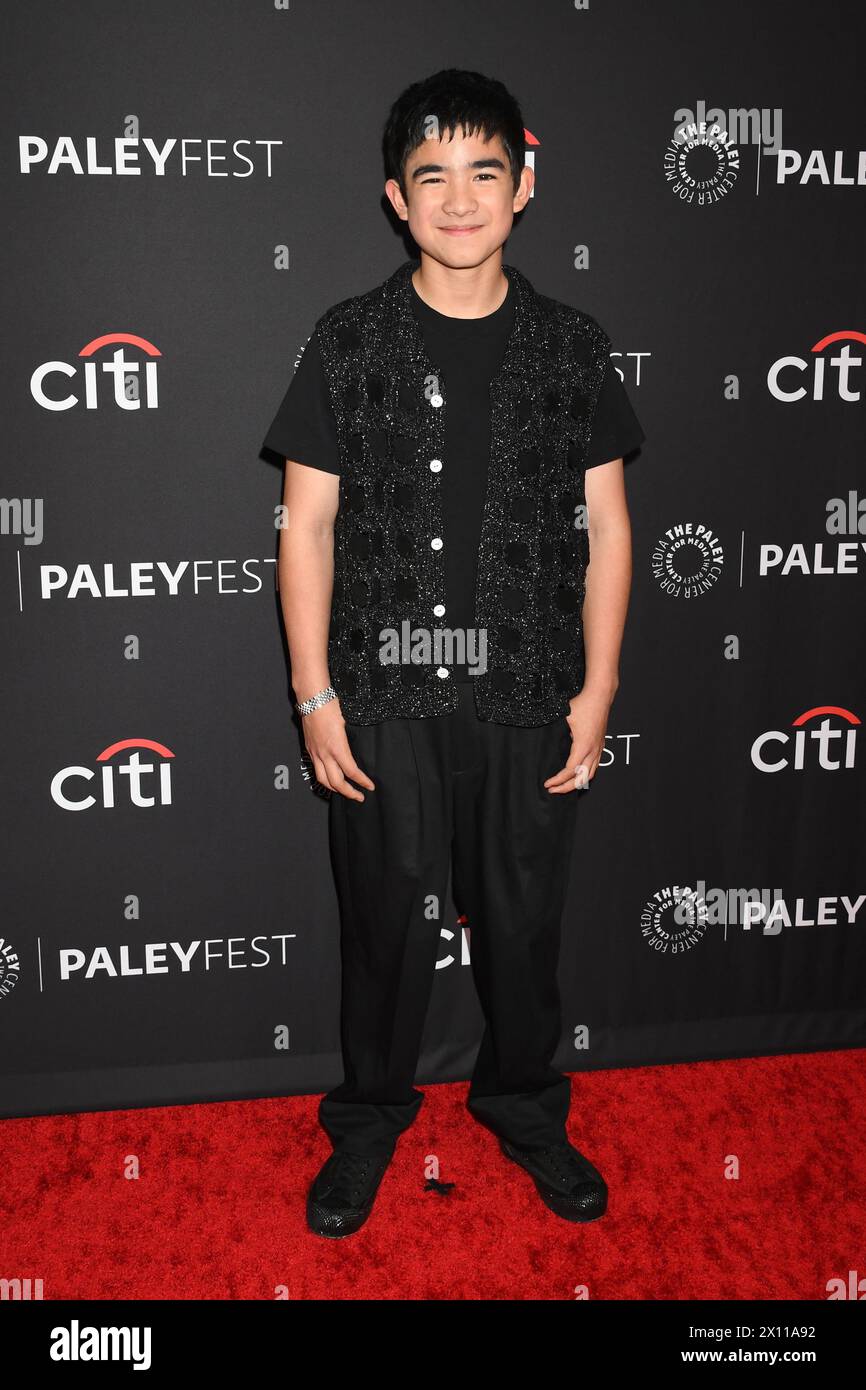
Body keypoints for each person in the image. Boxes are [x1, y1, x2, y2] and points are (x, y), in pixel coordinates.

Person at [261, 68, 645, 1238]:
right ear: (396, 196)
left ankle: (524, 1107)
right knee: (381, 918)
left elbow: (610, 528)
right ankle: (369, 1119)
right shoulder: (349, 337)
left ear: (522, 189)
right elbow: (307, 528)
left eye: (485, 172)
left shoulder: (572, 344)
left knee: (522, 925)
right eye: (433, 176)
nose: (460, 197)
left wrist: (600, 684)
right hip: (381, 688)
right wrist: (313, 694)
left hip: (526, 685)